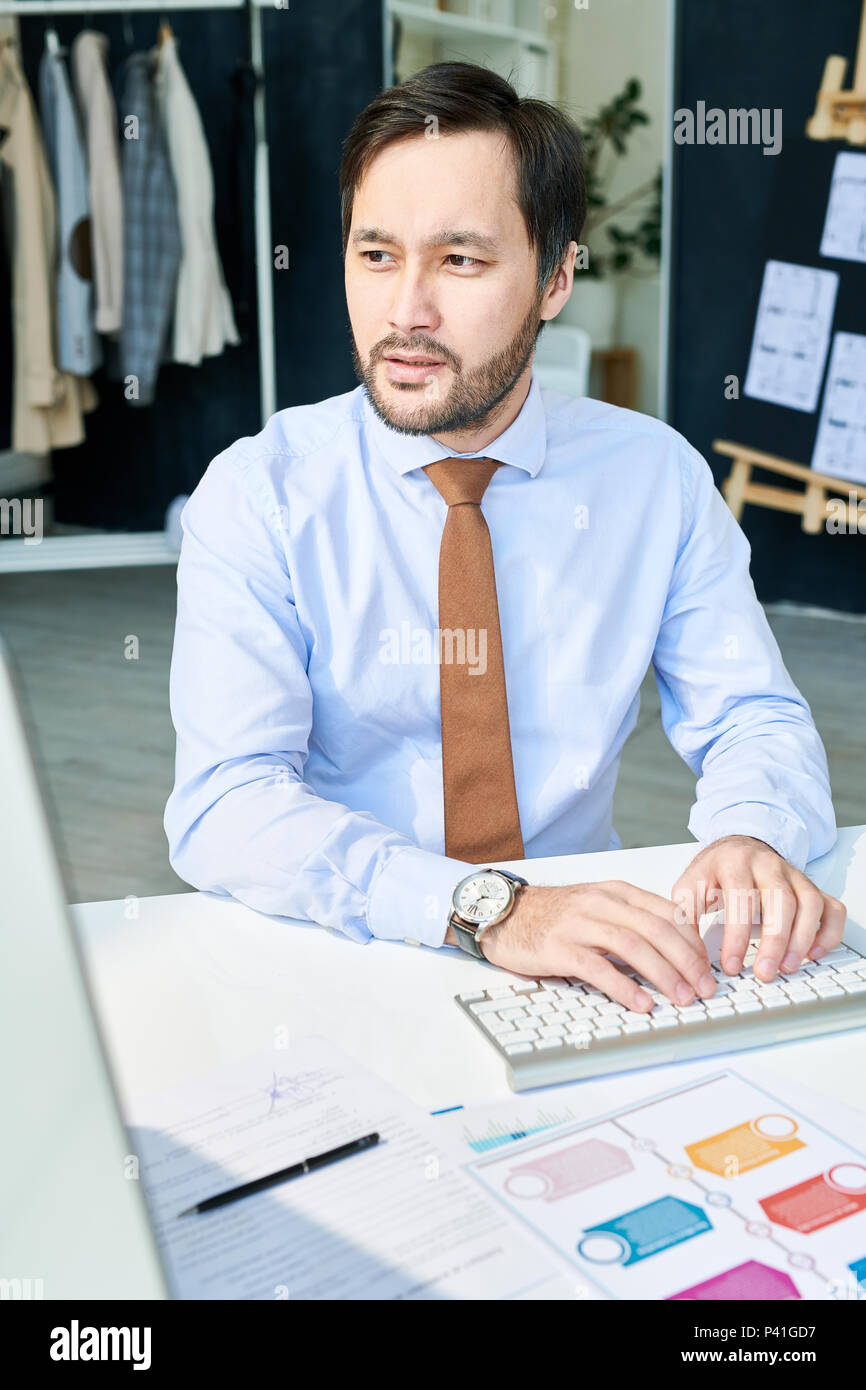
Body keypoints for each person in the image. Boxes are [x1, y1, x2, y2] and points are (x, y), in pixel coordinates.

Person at [164, 61, 845, 1016]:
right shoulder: (260, 492)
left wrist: (753, 834)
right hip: (341, 951)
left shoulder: (653, 479)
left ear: (557, 277)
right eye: (376, 255)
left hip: (585, 967)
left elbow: (753, 718)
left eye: (461, 260)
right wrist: (484, 907)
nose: (406, 310)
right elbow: (225, 804)